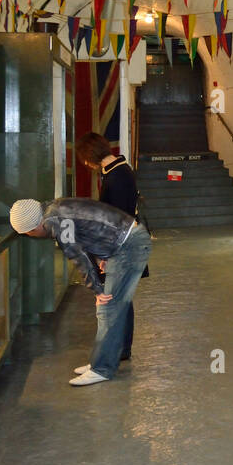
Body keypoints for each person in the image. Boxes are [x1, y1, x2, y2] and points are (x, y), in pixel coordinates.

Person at [8, 197, 151, 386]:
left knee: (107, 306)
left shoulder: (55, 221)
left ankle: (102, 368)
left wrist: (96, 289)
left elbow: (77, 254)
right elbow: (90, 230)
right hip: (127, 240)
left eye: (27, 234)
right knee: (119, 301)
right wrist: (104, 253)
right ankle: (115, 353)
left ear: (32, 229)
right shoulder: (55, 208)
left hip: (128, 245)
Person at [75, 133, 148, 363]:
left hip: (122, 247)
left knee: (114, 301)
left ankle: (116, 350)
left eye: (85, 159)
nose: (86, 165)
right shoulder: (119, 170)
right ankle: (122, 348)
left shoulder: (115, 178)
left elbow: (115, 222)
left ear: (91, 156)